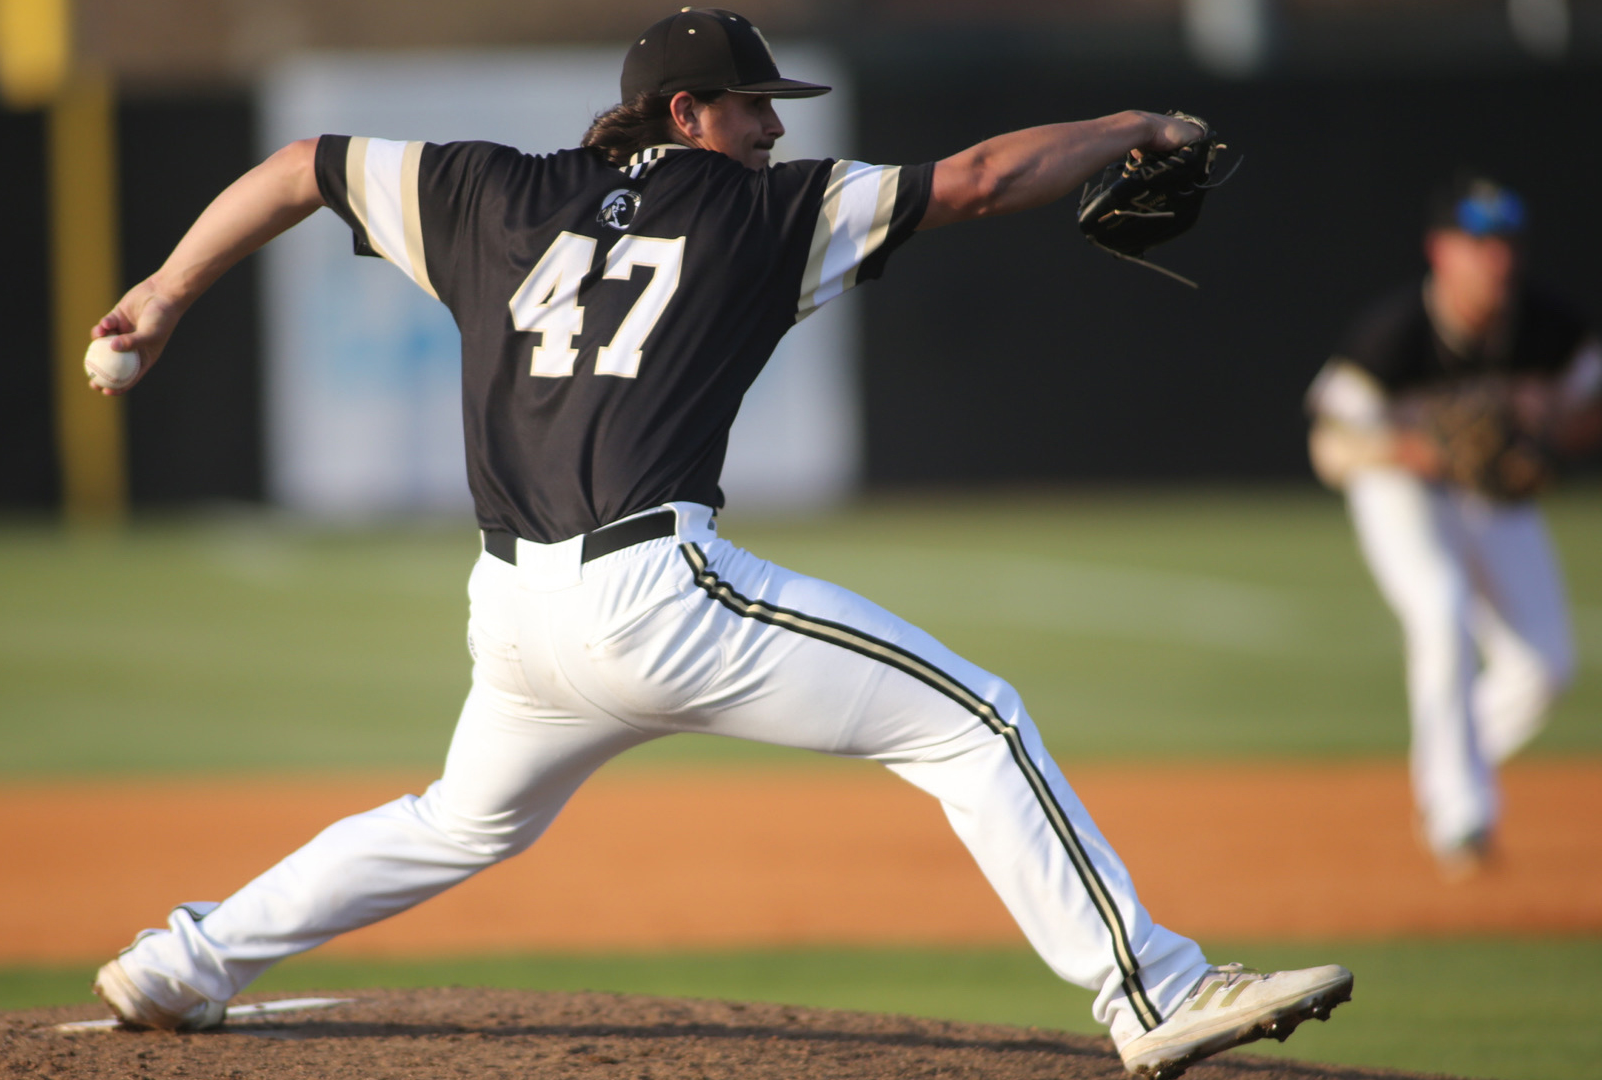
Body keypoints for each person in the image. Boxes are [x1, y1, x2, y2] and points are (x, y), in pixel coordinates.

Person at [86, 10, 1350, 1077]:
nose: (776, 129)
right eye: (753, 107)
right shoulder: (762, 214)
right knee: (975, 720)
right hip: (654, 594)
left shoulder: (486, 191)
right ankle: (1155, 996)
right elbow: (970, 179)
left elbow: (303, 162)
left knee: (462, 821)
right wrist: (1138, 127)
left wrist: (162, 291)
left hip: (516, 619)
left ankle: (180, 962)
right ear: (684, 112)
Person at [1306, 175, 1602, 880]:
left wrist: (1552, 430)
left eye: (1504, 243)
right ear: (1440, 250)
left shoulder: (1548, 326)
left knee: (1545, 666)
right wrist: (1413, 449)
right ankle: (1461, 817)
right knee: (1439, 613)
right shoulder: (1395, 335)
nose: (1495, 259)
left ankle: (1444, 777)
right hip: (1401, 487)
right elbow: (1328, 444)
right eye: (1478, 243)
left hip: (1489, 494)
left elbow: (1586, 412)